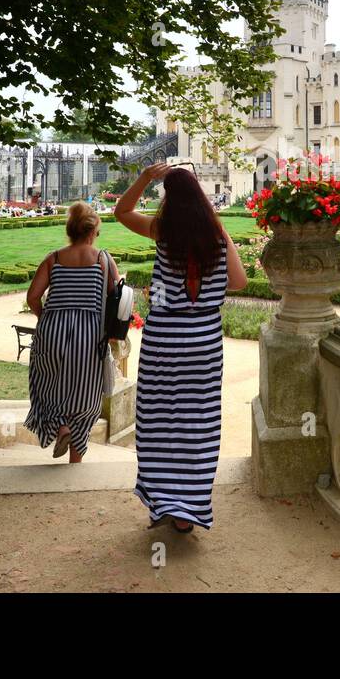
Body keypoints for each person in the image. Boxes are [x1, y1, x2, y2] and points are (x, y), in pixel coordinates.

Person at [115, 162, 247, 533]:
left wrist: (144, 177)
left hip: (164, 339)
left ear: (170, 198)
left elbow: (121, 211)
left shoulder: (162, 230)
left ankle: (165, 502)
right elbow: (238, 281)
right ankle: (190, 507)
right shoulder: (216, 235)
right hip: (204, 341)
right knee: (198, 423)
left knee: (159, 421)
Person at [23, 201, 119, 463]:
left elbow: (33, 297)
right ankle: (75, 462)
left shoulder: (53, 259)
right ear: (92, 232)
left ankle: (61, 427)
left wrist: (47, 319)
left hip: (52, 331)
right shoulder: (103, 260)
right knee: (85, 396)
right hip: (89, 336)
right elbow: (116, 299)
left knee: (47, 387)